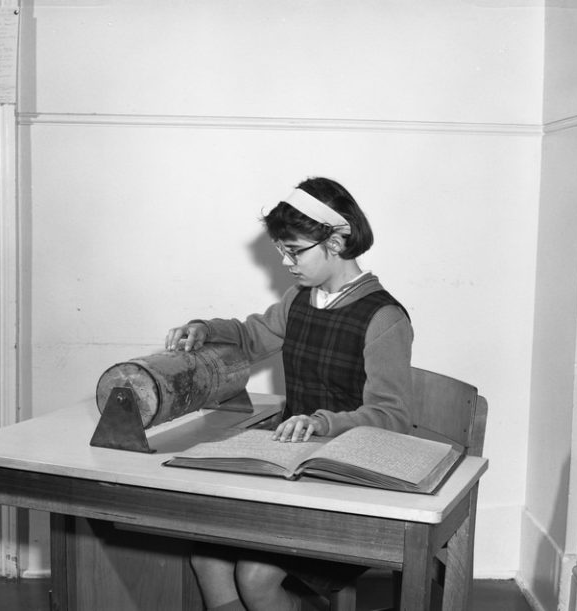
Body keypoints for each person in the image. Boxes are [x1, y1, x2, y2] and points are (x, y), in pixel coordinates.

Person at [165, 176, 413, 611]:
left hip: (347, 479)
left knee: (255, 575)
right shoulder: (300, 298)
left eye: (294, 250)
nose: (285, 261)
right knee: (206, 553)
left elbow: (391, 417)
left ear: (336, 241)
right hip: (291, 469)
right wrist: (206, 329)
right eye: (282, 250)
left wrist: (321, 422)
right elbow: (250, 336)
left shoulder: (384, 318)